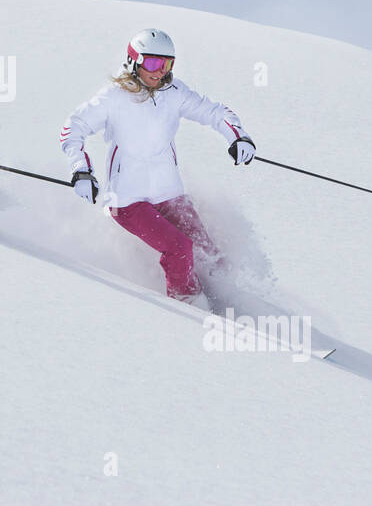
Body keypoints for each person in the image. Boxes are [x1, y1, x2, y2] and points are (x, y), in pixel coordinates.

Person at [59, 29, 256, 303]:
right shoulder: (113, 98)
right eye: (152, 63)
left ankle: (227, 301)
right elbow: (73, 127)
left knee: (208, 253)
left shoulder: (174, 93)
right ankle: (188, 306)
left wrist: (237, 136)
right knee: (179, 248)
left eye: (167, 64)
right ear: (134, 61)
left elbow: (214, 112)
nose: (159, 71)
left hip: (168, 192)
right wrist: (81, 170)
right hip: (128, 201)